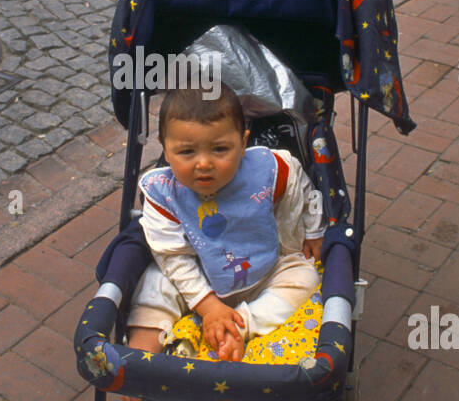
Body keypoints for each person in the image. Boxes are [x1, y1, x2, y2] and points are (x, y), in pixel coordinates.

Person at [126, 83, 326, 363]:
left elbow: (303, 187)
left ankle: (241, 324)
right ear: (166, 150)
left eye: (220, 149)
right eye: (187, 152)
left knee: (305, 277)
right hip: (198, 275)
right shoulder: (165, 194)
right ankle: (143, 348)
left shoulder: (269, 169)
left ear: (243, 143)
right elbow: (172, 256)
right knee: (156, 281)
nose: (204, 163)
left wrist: (314, 229)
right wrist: (208, 307)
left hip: (266, 270)